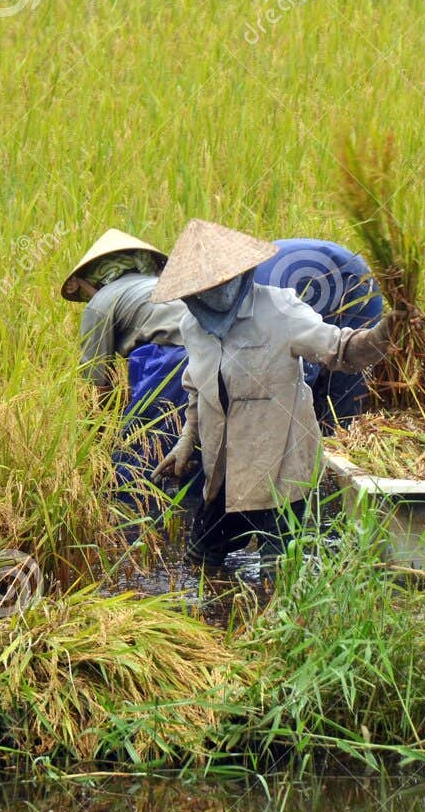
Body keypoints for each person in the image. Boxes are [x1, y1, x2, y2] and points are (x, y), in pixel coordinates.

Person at [152, 220, 403, 568]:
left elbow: (342, 350)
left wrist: (385, 332)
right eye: (205, 286)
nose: (217, 291)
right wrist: (186, 441)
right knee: (200, 562)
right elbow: (197, 389)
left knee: (280, 572)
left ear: (241, 273)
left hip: (281, 472)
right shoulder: (193, 327)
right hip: (225, 472)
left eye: (222, 281)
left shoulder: (281, 310)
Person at [61, 228, 195, 515]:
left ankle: (131, 530)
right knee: (198, 448)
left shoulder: (101, 301)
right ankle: (189, 525)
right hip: (218, 355)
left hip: (173, 361)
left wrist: (93, 443)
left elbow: (96, 382)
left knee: (136, 455)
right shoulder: (162, 286)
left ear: (92, 278)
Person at [253, 238, 385, 429]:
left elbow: (289, 375)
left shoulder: (263, 305)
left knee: (324, 378)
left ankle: (333, 438)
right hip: (326, 271)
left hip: (346, 280)